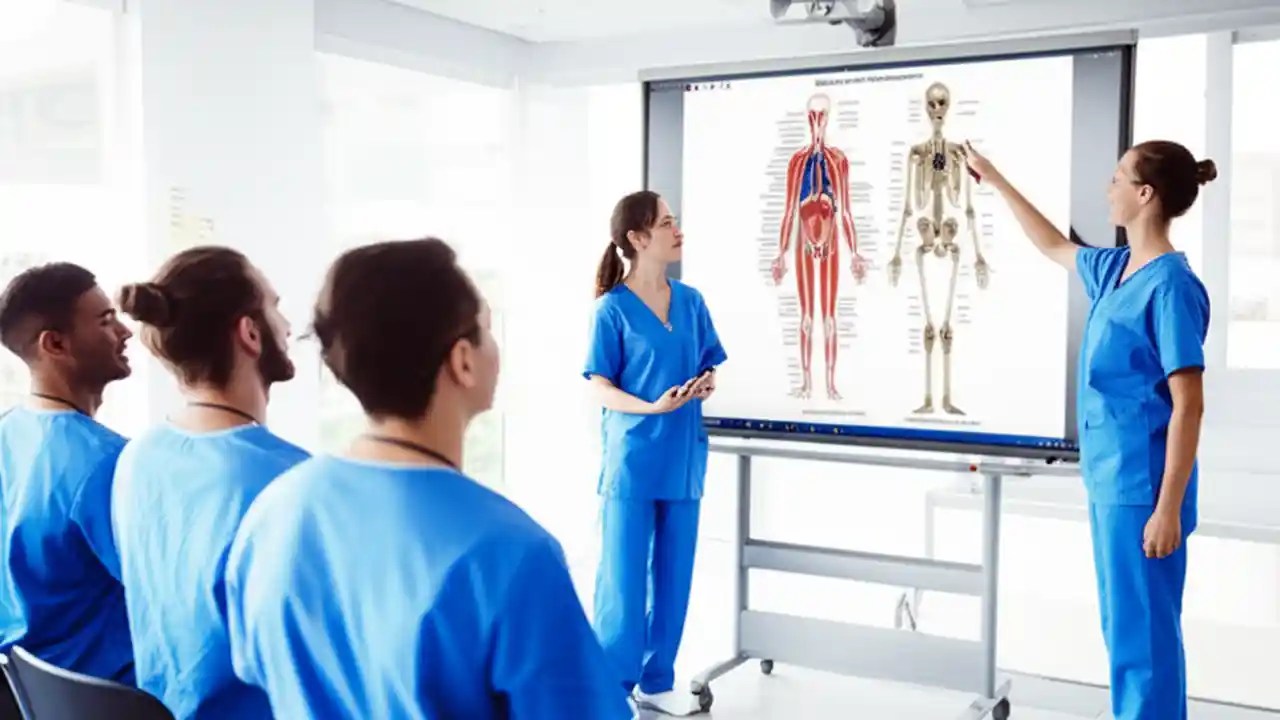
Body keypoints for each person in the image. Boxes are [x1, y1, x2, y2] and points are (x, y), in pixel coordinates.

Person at [224, 238, 631, 720]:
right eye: (487, 329)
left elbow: (256, 673)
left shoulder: (273, 513)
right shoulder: (509, 552)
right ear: (462, 360)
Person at [963, 139, 1213, 719]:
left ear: (1144, 195)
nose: (1109, 188)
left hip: (1144, 489)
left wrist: (1168, 507)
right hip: (1110, 482)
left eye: (1118, 177)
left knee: (1144, 638)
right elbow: (1054, 244)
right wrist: (995, 176)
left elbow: (1189, 406)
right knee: (1125, 630)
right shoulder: (1116, 269)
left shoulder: (1170, 287)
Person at [110, 246, 308, 719]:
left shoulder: (136, 457)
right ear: (250, 332)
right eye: (275, 306)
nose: (288, 325)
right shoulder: (296, 483)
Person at [585, 190, 728, 715]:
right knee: (622, 581)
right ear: (638, 239)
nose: (677, 229)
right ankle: (610, 686)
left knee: (673, 575)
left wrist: (706, 382)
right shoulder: (612, 310)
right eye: (667, 223)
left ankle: (656, 680)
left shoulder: (691, 302)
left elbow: (709, 361)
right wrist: (651, 407)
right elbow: (598, 385)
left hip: (683, 458)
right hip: (633, 461)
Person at [0, 262, 135, 683]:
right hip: (115, 693)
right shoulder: (108, 463)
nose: (125, 332)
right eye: (106, 320)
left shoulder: (7, 432)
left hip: (32, 689)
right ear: (55, 344)